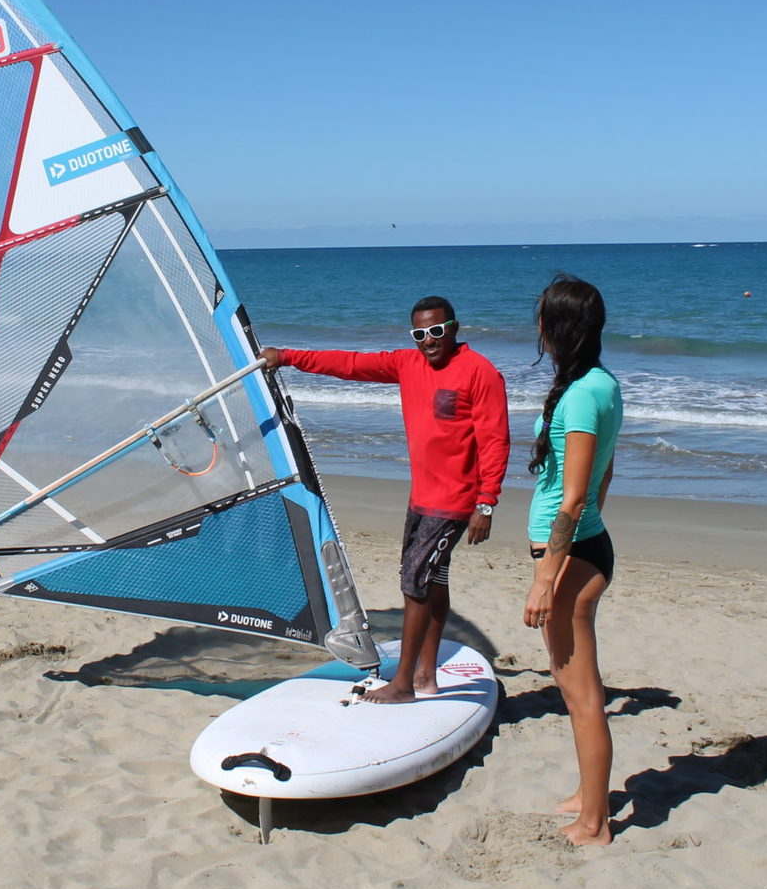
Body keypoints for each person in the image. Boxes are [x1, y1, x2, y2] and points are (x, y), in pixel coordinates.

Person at [260, 296, 509, 704]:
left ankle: (405, 684)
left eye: (436, 331)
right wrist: (286, 357)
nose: (428, 341)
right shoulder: (406, 364)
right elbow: (349, 364)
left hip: (455, 502)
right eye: (419, 334)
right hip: (422, 497)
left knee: (413, 583)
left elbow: (496, 441)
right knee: (433, 579)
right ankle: (427, 674)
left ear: (454, 328)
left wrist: (486, 503)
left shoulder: (480, 373)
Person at [523, 274, 623, 847]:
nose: (536, 326)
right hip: (583, 547)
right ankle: (590, 795)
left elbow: (577, 495)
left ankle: (594, 823)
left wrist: (545, 578)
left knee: (583, 697)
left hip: (571, 558)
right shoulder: (600, 383)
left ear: (556, 327)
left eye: (541, 316)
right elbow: (605, 472)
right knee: (573, 691)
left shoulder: (584, 395)